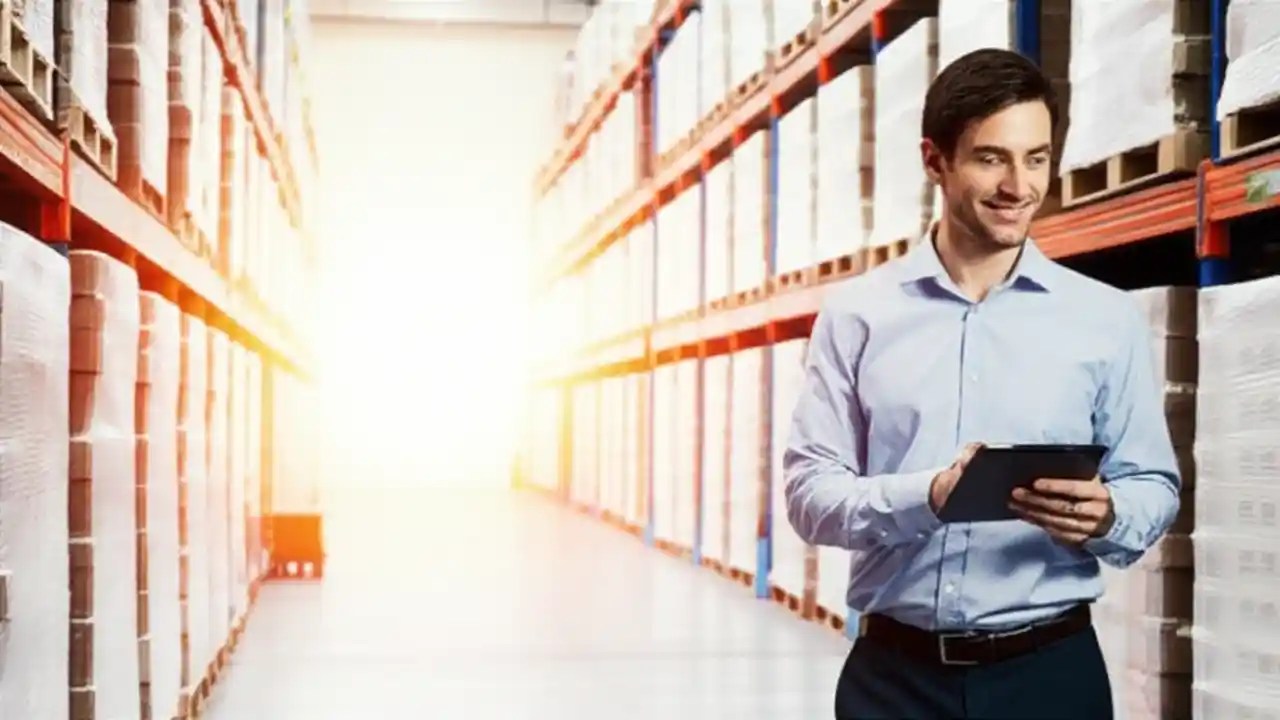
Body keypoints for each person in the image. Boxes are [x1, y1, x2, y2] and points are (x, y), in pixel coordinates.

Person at [782, 48, 1181, 719]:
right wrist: (929, 495)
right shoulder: (859, 316)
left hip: (1051, 678)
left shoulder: (1104, 320)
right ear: (934, 160)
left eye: (1036, 158)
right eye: (991, 158)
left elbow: (1154, 486)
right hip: (894, 684)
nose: (1018, 185)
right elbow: (808, 495)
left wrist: (1108, 516)